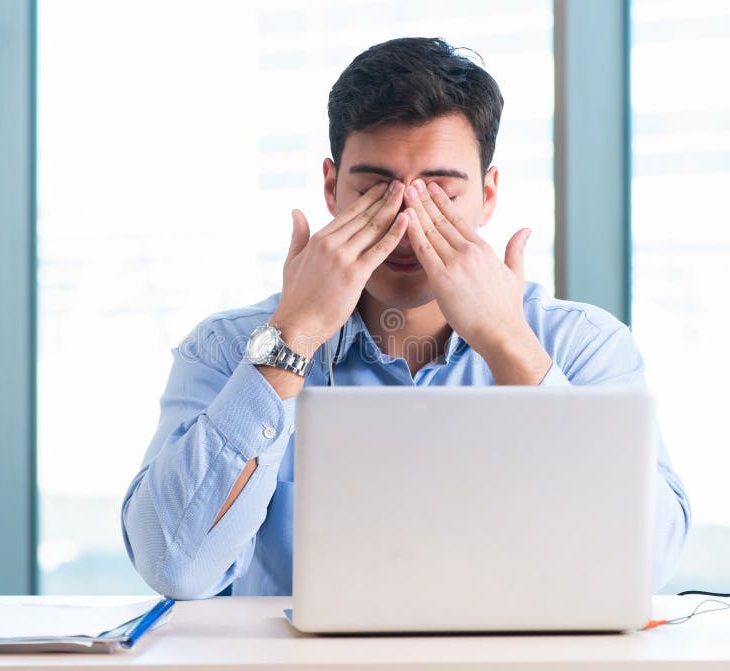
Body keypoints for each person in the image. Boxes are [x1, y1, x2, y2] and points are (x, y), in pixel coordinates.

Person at [121, 37, 690, 599]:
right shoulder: (227, 347)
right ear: (331, 188)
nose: (405, 222)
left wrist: (509, 344)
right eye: (374, 191)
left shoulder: (581, 345)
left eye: (440, 194)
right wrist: (292, 338)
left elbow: (644, 565)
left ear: (488, 195)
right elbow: (174, 567)